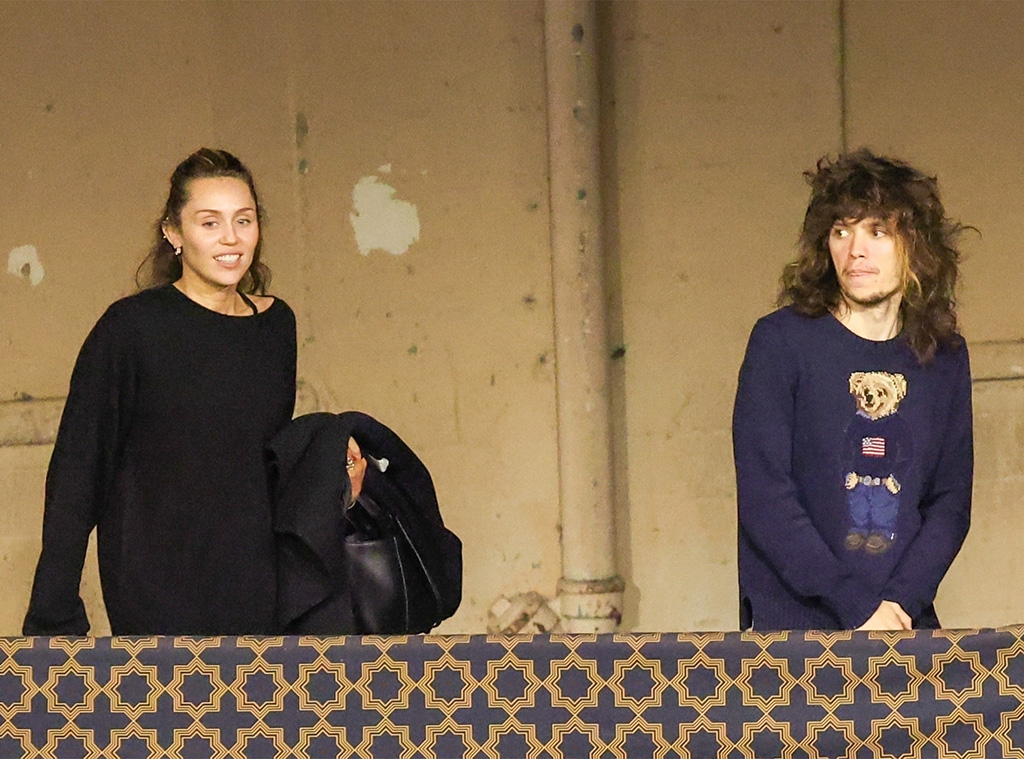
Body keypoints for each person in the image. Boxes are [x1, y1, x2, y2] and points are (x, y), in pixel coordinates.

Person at [22, 148, 367, 635]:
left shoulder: (275, 327)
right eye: (209, 223)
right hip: (156, 584)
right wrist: (53, 613)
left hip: (256, 580)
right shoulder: (131, 328)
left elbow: (261, 459)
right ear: (173, 233)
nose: (231, 238)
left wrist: (331, 475)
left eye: (243, 220)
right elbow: (79, 470)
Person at [733, 148, 973, 631]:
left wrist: (900, 603)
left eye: (877, 231)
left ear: (916, 245)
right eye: (841, 231)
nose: (854, 250)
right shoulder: (781, 342)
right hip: (796, 633)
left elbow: (950, 502)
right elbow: (766, 498)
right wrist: (856, 605)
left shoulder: (943, 355)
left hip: (902, 623)